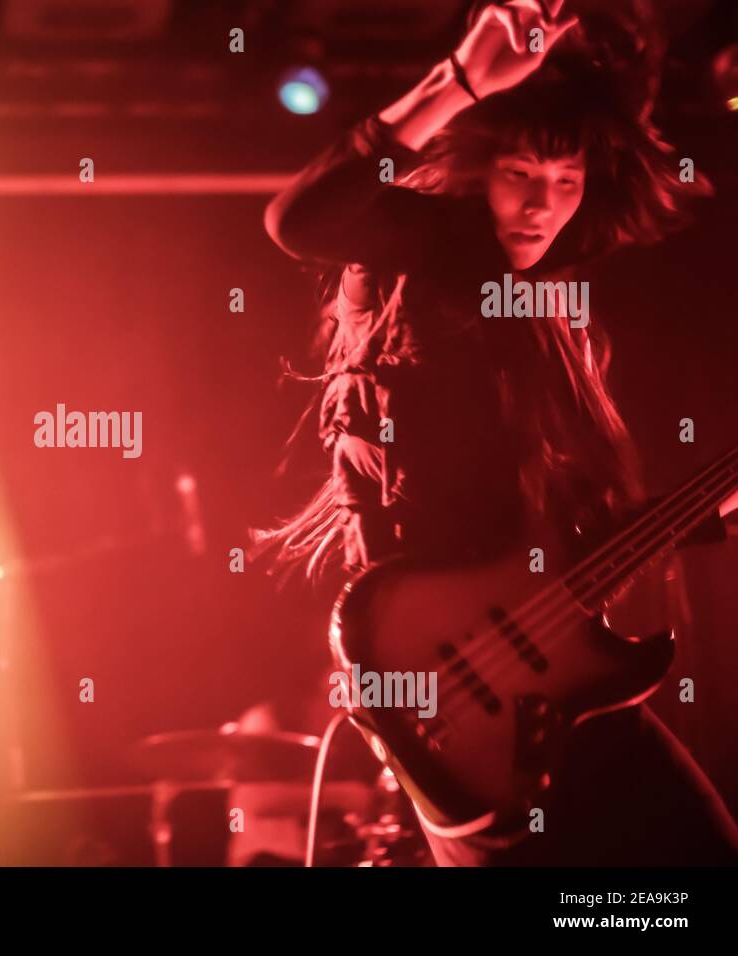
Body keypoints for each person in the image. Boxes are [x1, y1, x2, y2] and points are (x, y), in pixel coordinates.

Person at [255, 0, 738, 865]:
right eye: (521, 173)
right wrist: (463, 80)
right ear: (477, 171)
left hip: (541, 683)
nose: (541, 207)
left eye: (566, 181)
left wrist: (713, 508)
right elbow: (299, 221)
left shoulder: (539, 313)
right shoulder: (436, 258)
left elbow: (563, 544)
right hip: (472, 704)